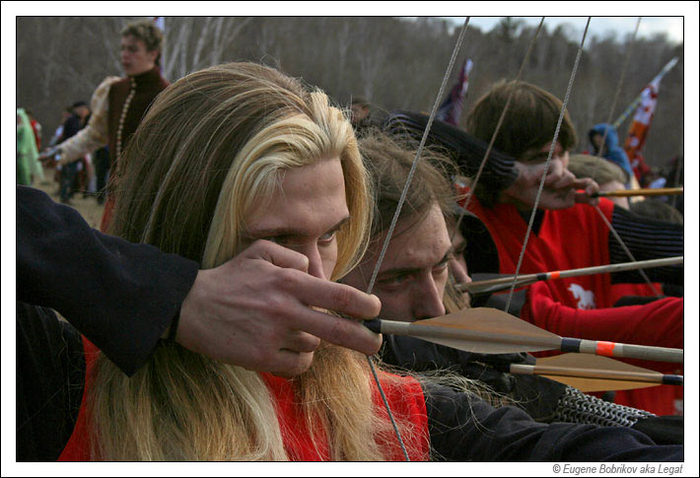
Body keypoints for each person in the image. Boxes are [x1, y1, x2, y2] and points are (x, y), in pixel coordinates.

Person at [18, 63, 681, 461]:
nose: (315, 275)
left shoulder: (378, 406)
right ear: (186, 236)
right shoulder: (57, 377)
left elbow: (574, 452)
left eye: (332, 236)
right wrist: (172, 298)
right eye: (276, 238)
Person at [342, 131, 679, 440]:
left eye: (447, 260)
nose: (436, 305)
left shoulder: (484, 335)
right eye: (398, 278)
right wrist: (514, 175)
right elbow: (404, 123)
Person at [384, 81, 683, 415]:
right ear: (497, 159)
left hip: (603, 404)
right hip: (520, 409)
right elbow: (397, 126)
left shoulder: (587, 214)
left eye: (561, 154)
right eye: (539, 157)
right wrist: (514, 176)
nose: (557, 169)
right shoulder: (464, 220)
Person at [39, 20, 169, 229]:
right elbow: (93, 136)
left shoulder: (167, 95)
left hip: (148, 203)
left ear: (153, 54)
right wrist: (59, 153)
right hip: (115, 199)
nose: (125, 55)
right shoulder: (114, 90)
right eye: (123, 48)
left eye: (133, 49)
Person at [587, 122, 634, 187]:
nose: (597, 140)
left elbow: (626, 175)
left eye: (600, 137)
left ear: (608, 138)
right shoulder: (594, 155)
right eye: (595, 137)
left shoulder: (617, 154)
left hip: (617, 187)